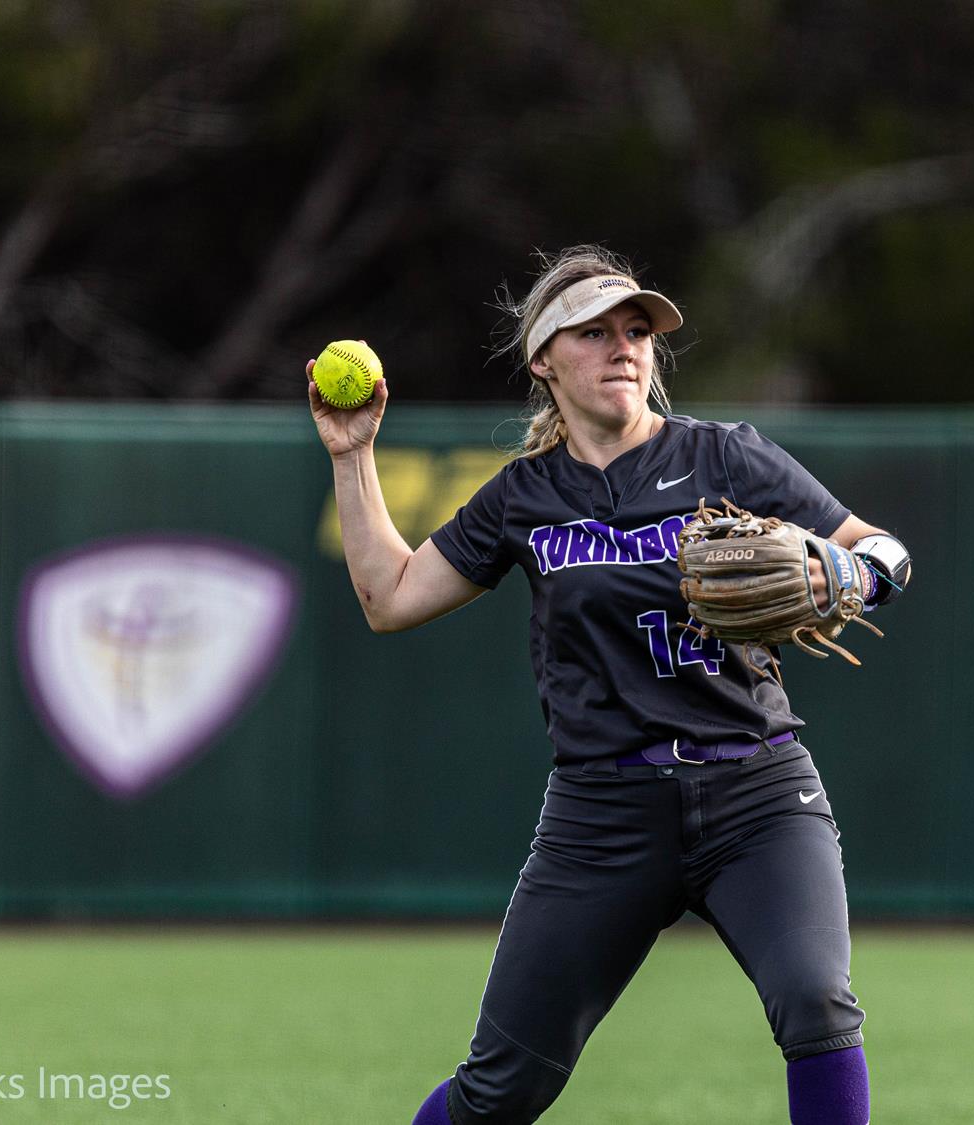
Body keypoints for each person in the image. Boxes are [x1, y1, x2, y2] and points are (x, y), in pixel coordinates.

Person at [307, 245, 912, 1125]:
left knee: (816, 1000)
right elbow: (389, 597)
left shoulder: (725, 457)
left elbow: (885, 549)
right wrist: (353, 455)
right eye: (594, 331)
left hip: (757, 791)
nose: (624, 345)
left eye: (637, 329)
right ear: (545, 360)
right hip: (603, 814)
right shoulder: (524, 497)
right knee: (502, 1085)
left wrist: (851, 576)